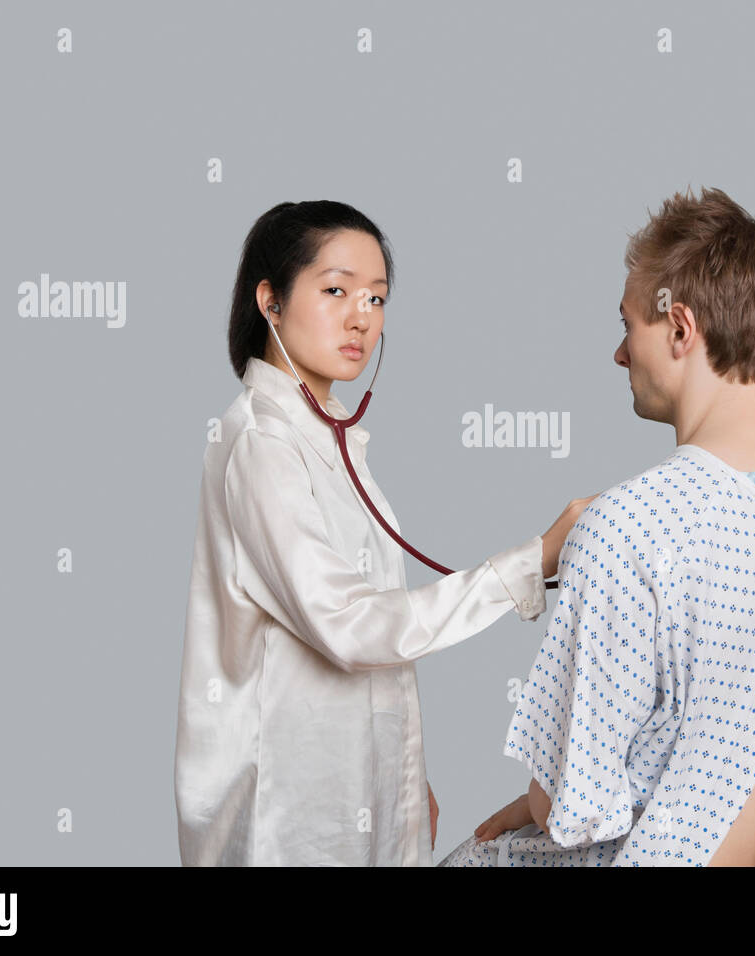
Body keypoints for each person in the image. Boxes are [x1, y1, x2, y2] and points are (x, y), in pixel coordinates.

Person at [439, 186, 755, 867]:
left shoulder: (632, 525)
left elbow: (570, 803)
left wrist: (540, 804)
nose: (620, 354)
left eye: (630, 325)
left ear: (681, 328)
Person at [174, 200, 596, 866]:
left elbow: (358, 647)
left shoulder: (326, 436)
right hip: (289, 811)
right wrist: (530, 561)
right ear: (270, 300)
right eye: (336, 290)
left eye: (376, 298)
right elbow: (347, 625)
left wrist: (402, 776)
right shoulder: (262, 445)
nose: (361, 318)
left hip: (354, 791)